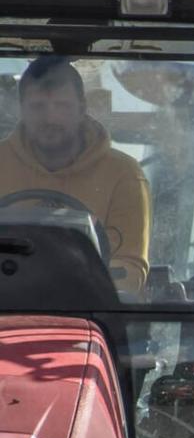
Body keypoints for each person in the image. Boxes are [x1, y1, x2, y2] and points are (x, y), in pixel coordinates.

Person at [0, 55, 149, 292]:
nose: (50, 118)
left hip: (94, 317)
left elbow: (130, 270)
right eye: (38, 106)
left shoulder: (124, 174)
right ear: (21, 110)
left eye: (62, 106)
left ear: (82, 108)